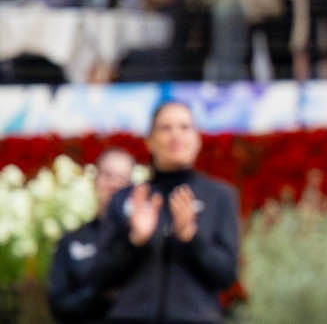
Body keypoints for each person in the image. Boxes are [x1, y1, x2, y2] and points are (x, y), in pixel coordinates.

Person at [96, 101, 239, 323]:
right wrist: (134, 240)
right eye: (165, 128)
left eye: (184, 127)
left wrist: (191, 238)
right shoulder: (127, 198)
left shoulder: (219, 196)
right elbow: (100, 275)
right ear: (150, 141)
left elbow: (226, 275)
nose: (175, 136)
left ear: (197, 139)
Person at [48, 148, 136, 323]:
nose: (114, 184)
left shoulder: (144, 242)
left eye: (122, 178)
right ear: (94, 181)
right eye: (108, 176)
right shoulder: (72, 241)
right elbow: (58, 304)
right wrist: (97, 293)